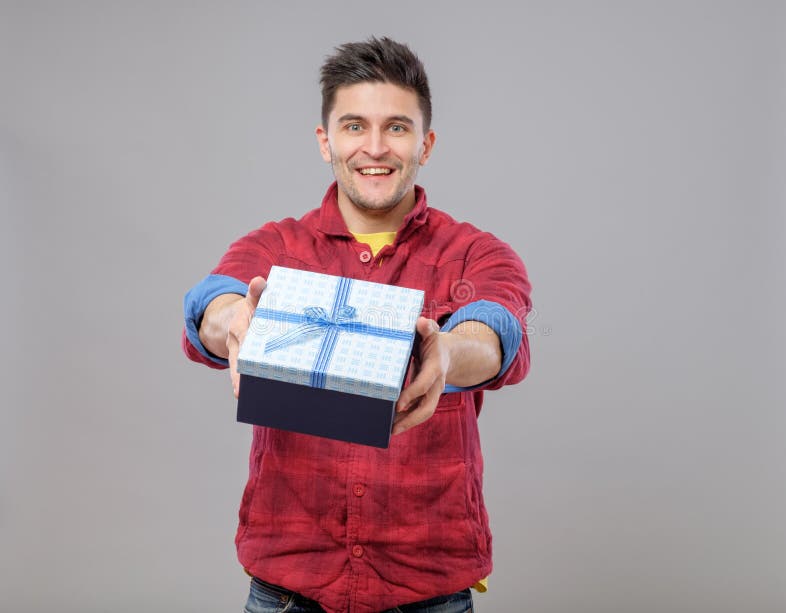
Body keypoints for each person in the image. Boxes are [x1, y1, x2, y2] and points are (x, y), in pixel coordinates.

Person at [183, 36, 532, 613]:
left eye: (397, 127)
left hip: (428, 589)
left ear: (427, 142)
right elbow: (210, 303)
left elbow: (496, 328)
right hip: (289, 589)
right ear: (326, 141)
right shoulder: (274, 247)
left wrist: (446, 352)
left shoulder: (477, 252)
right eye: (353, 126)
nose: (375, 147)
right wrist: (234, 319)